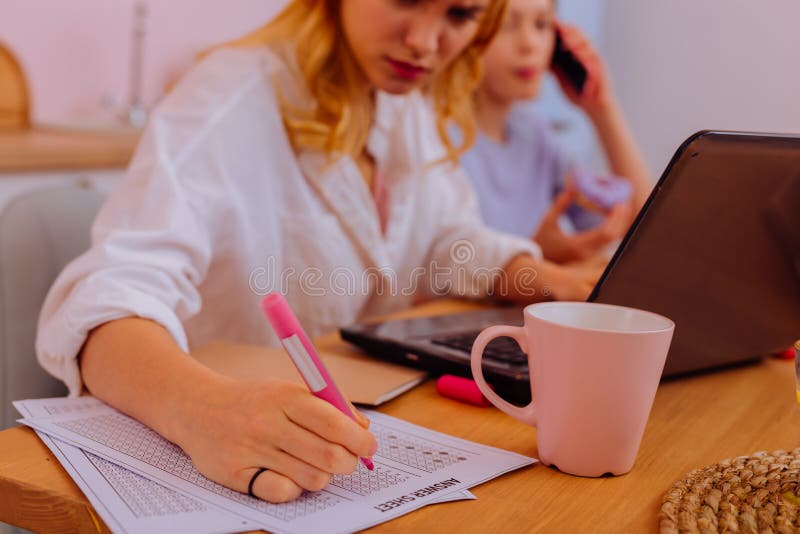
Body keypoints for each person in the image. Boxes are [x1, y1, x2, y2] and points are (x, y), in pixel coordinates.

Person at [36, 0, 601, 504]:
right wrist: (202, 409)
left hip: (343, 445)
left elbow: (450, 237)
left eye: (459, 14)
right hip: (229, 469)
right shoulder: (228, 97)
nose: (427, 44)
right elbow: (105, 305)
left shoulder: (403, 101)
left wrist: (552, 280)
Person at [461, 0, 652, 263]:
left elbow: (646, 229)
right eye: (505, 25)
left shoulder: (534, 133)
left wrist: (602, 110)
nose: (530, 44)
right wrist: (539, 256)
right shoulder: (437, 138)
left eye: (542, 24)